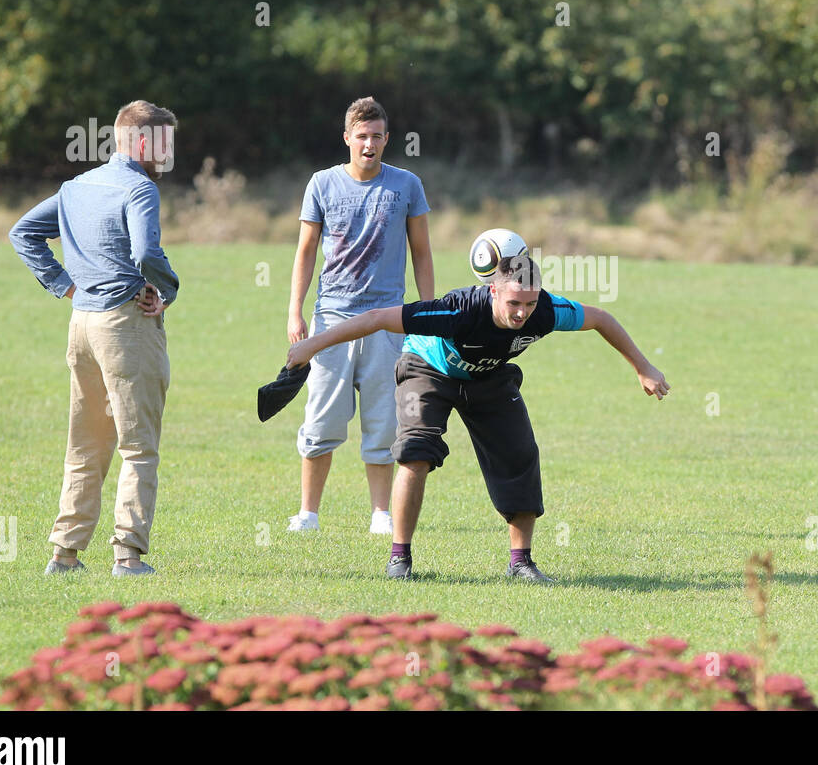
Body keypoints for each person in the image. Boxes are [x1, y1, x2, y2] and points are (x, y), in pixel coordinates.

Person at [286, 255, 670, 581]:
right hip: (428, 370)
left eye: (530, 304)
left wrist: (643, 366)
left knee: (519, 455)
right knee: (416, 451)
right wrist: (311, 346)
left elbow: (601, 318)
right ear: (494, 291)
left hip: (487, 377)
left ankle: (521, 563)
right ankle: (399, 559)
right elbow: (375, 318)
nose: (522, 313)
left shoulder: (546, 312)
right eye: (514, 303)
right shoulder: (457, 310)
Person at [8, 99, 179, 577]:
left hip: (81, 326)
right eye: (166, 145)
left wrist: (63, 285)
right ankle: (127, 555)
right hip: (125, 326)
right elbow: (146, 251)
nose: (170, 156)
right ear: (143, 142)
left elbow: (23, 232)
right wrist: (168, 289)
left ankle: (64, 554)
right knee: (138, 445)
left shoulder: (76, 186)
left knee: (85, 444)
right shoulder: (140, 188)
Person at [286, 97, 433, 535]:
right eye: (361, 136)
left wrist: (428, 314)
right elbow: (305, 251)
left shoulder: (406, 185)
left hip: (388, 321)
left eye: (377, 136)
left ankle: (380, 515)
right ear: (347, 138)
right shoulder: (322, 184)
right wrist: (295, 312)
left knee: (384, 421)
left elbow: (422, 253)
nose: (369, 144)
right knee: (321, 418)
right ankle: (308, 514)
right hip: (331, 318)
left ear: (387, 139)